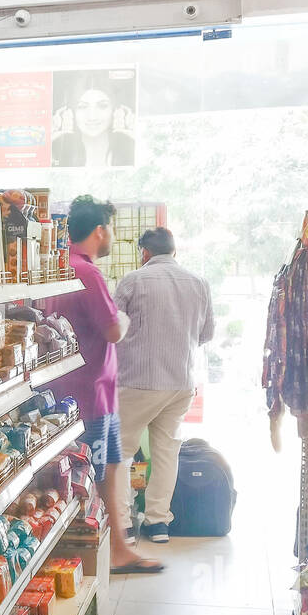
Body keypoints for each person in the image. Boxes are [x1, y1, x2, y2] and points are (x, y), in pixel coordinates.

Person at [46, 197, 163, 574]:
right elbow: (113, 330)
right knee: (98, 476)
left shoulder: (60, 268)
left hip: (78, 392)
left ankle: (118, 549)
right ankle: (97, 558)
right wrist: (125, 319)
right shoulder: (88, 273)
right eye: (109, 228)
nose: (111, 234)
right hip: (90, 395)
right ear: (99, 230)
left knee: (108, 470)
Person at [114, 227, 215, 543]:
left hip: (138, 382)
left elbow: (113, 329)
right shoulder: (199, 283)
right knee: (167, 451)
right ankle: (159, 523)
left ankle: (124, 526)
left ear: (144, 253)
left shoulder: (132, 281)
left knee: (120, 452)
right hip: (180, 382)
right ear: (174, 252)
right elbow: (207, 334)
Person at [51, 73, 135, 168]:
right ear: (70, 112)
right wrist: (46, 142)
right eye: (82, 107)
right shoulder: (55, 155)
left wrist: (140, 139)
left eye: (102, 106)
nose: (92, 117)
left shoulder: (133, 152)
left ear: (115, 110)